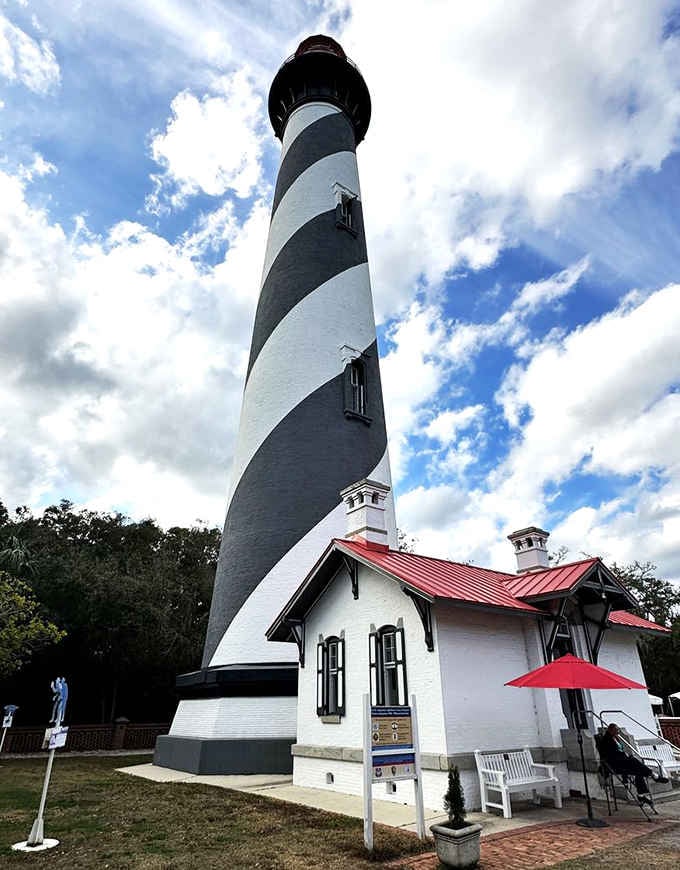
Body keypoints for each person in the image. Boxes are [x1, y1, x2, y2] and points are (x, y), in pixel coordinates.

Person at [599, 723, 668, 802]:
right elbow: (611, 754)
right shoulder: (606, 740)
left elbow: (620, 751)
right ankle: (653, 776)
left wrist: (625, 756)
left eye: (618, 730)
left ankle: (641, 795)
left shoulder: (616, 738)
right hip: (614, 765)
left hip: (622, 762)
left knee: (638, 769)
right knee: (634, 761)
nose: (618, 731)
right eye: (616, 730)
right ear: (611, 730)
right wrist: (625, 756)